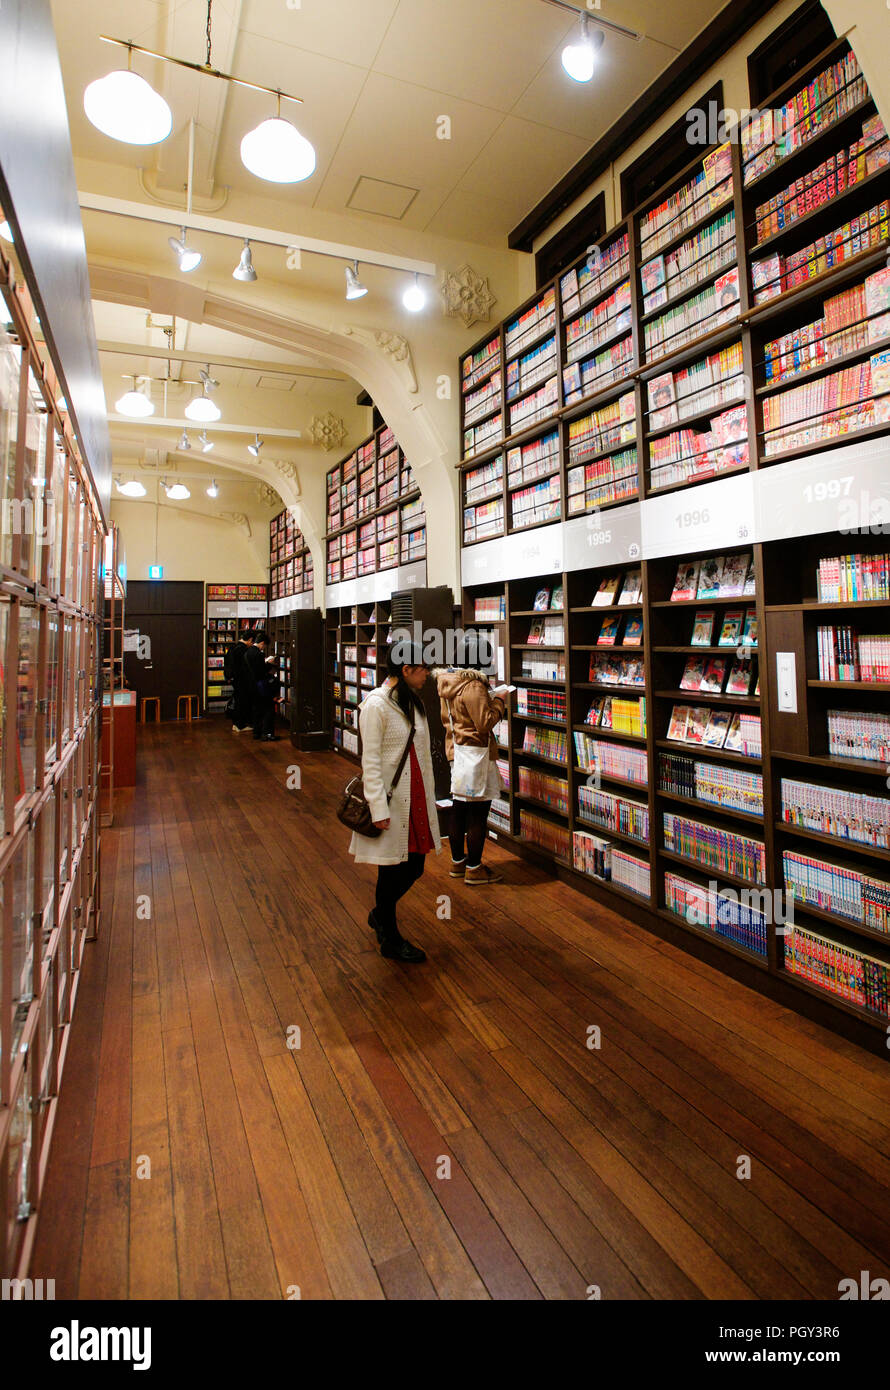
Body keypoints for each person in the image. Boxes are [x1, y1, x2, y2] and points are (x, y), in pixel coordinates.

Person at [349, 643, 441, 962]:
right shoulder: (376, 705)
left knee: (414, 865)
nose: (427, 674)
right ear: (406, 670)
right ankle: (389, 935)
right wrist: (377, 807)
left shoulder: (410, 701)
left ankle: (380, 914)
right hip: (391, 799)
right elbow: (370, 761)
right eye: (423, 668)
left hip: (413, 796)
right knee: (391, 870)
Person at [433, 656, 507, 885]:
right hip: (475, 753)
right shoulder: (473, 685)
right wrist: (499, 702)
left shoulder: (448, 681)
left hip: (456, 750)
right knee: (478, 812)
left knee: (459, 808)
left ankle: (458, 862)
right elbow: (484, 723)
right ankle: (474, 868)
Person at [246, 630, 279, 741]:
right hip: (261, 686)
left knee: (256, 710)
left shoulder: (248, 651)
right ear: (262, 643)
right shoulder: (258, 654)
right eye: (264, 646)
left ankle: (257, 733)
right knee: (268, 709)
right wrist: (269, 663)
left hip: (252, 685)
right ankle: (267, 733)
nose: (263, 648)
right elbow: (261, 671)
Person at [227, 629, 254, 732]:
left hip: (234, 679)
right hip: (242, 680)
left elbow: (228, 664)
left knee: (237, 700)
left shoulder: (233, 647)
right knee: (242, 702)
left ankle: (236, 724)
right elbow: (245, 667)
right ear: (250, 640)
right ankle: (240, 725)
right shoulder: (243, 650)